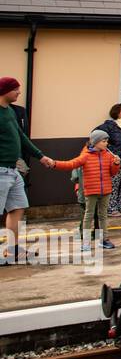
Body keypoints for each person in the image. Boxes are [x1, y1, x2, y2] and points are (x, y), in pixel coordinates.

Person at [0, 77, 48, 264]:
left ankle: (12, 250)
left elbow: (21, 137)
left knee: (18, 208)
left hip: (12, 170)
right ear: (5, 91)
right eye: (15, 89)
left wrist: (40, 156)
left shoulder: (10, 111)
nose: (19, 93)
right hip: (0, 170)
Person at [46, 128, 120, 250]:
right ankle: (86, 242)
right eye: (104, 141)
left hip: (106, 190)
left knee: (103, 216)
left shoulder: (108, 156)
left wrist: (116, 164)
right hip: (91, 191)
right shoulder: (85, 156)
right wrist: (54, 163)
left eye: (107, 141)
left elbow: (112, 173)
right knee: (88, 215)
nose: (106, 143)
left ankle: (104, 240)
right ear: (95, 142)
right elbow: (70, 164)